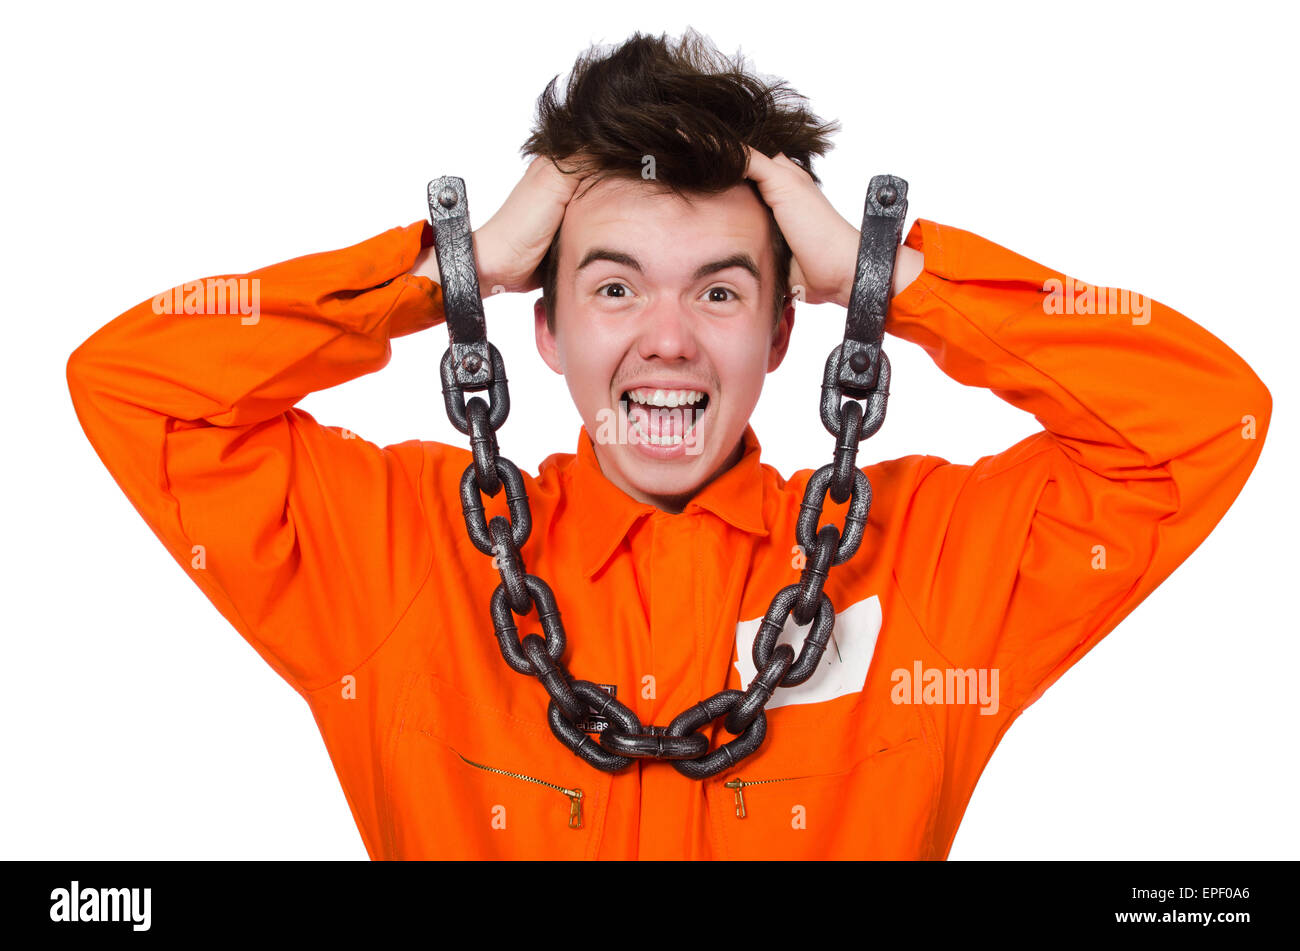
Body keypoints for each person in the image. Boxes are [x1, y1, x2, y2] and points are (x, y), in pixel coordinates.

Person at [66, 29, 1271, 860]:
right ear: (541, 328)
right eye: (612, 286)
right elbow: (135, 388)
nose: (668, 340)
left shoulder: (927, 570)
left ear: (783, 331)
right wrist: (451, 273)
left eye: (719, 291)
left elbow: (1201, 424)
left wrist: (885, 280)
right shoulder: (395, 556)